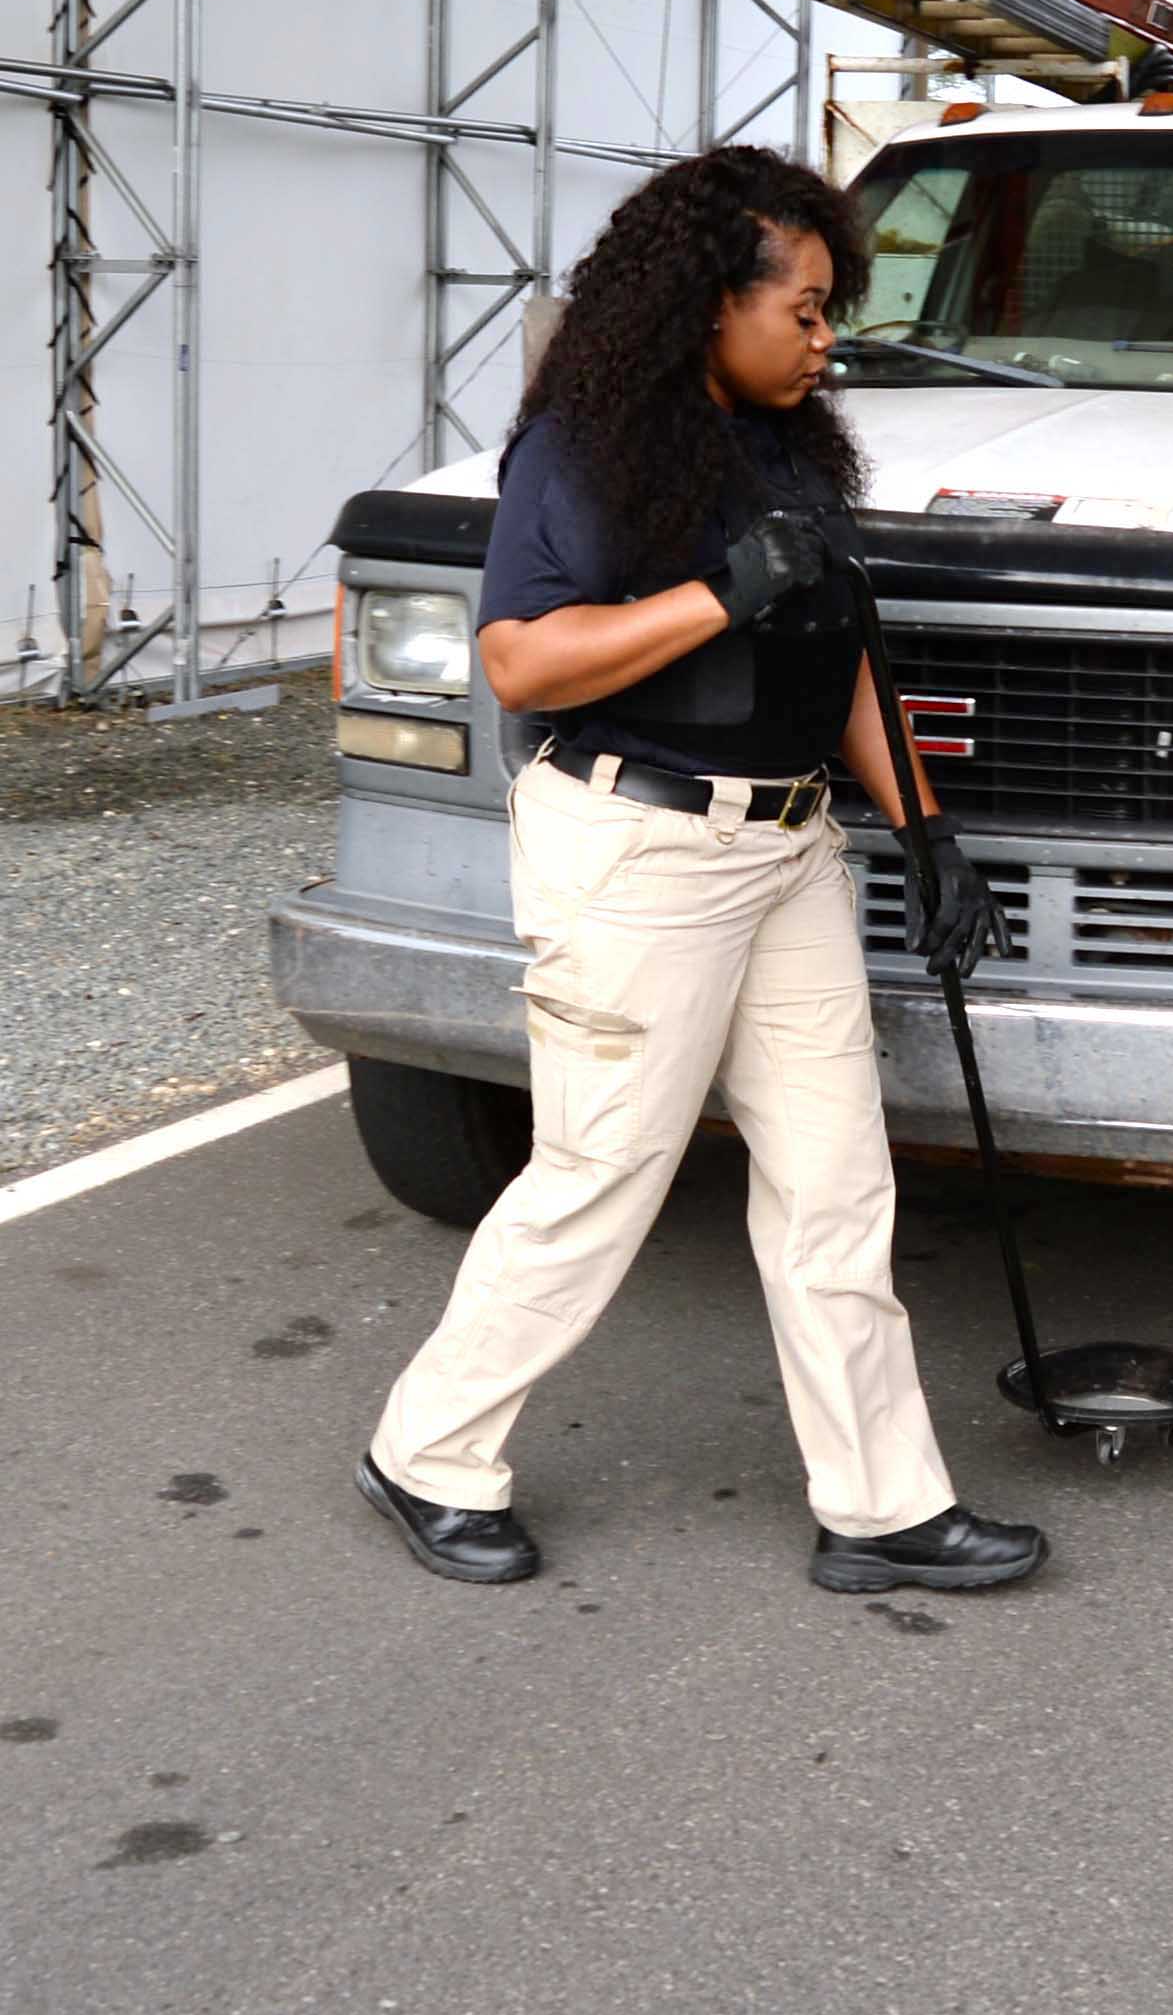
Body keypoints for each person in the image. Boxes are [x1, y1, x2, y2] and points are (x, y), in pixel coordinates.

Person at [356, 142, 1039, 1595]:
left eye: (829, 307)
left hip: (791, 847)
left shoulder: (794, 446)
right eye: (801, 306)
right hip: (641, 844)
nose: (824, 333)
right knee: (604, 1170)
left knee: (838, 1185)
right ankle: (427, 1452)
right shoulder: (585, 448)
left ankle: (881, 1506)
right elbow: (524, 659)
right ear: (707, 302)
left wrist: (926, 830)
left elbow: (844, 652)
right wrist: (718, 592)